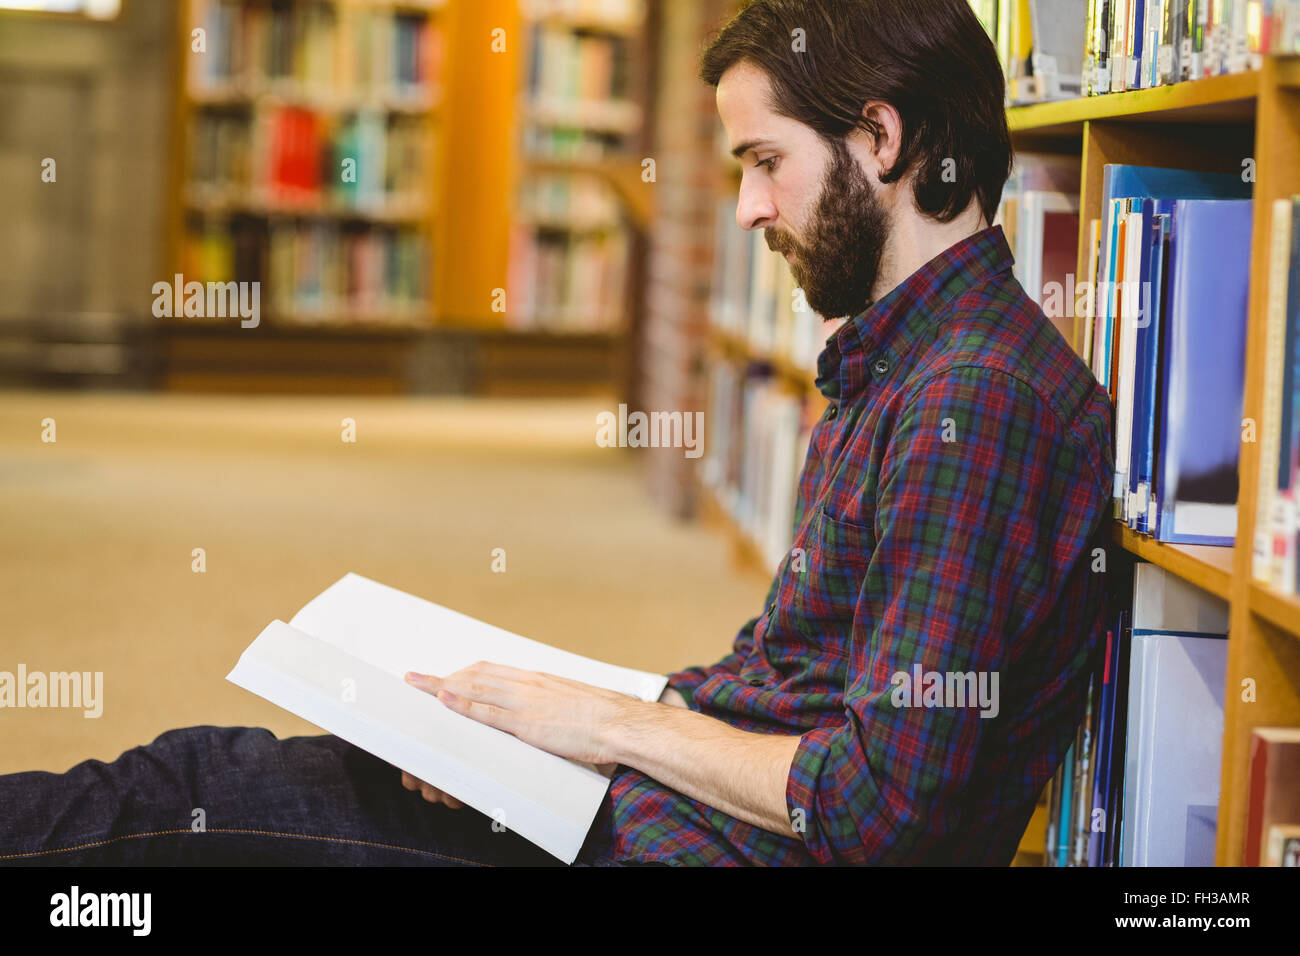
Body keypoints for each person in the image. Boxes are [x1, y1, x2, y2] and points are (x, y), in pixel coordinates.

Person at [0, 0, 1113, 867]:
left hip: (664, 845)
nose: (749, 211)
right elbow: (794, 683)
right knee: (228, 772)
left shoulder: (975, 404)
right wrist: (532, 735)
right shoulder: (912, 358)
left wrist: (606, 724)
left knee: (177, 801)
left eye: (764, 162)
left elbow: (878, 810)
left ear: (880, 138)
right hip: (647, 809)